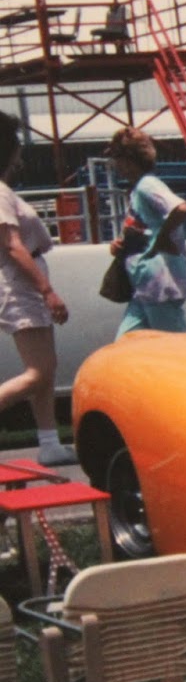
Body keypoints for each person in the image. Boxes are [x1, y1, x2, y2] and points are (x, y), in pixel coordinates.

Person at [0, 113, 75, 467]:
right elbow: (13, 245)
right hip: (21, 282)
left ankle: (49, 441)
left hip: (25, 278)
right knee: (39, 373)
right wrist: (47, 290)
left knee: (45, 368)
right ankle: (48, 441)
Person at [105, 128, 186, 335]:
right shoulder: (138, 189)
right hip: (144, 287)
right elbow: (143, 227)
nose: (116, 165)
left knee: (178, 349)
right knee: (124, 346)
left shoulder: (147, 185)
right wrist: (122, 243)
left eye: (118, 159)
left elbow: (180, 208)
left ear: (128, 160)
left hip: (158, 285)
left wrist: (161, 240)